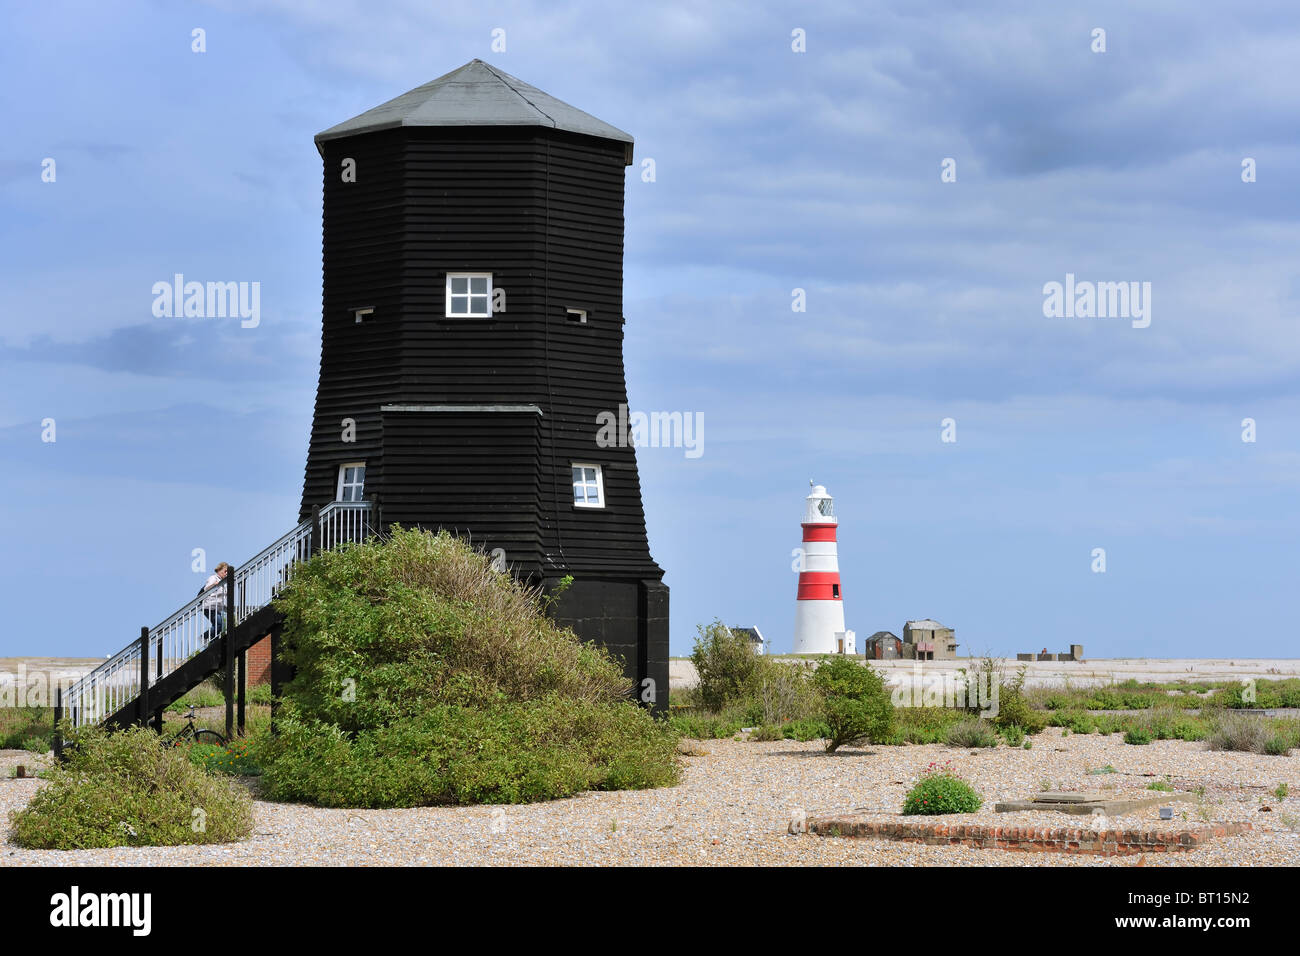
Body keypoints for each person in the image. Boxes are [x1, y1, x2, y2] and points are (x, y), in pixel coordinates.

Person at [200, 562, 231, 642]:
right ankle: (204, 636)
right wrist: (214, 584)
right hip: (209, 606)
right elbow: (206, 588)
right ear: (219, 570)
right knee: (219, 624)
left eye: (227, 572)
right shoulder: (213, 578)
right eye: (225, 571)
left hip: (216, 608)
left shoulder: (223, 582)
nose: (226, 573)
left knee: (218, 626)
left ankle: (212, 642)